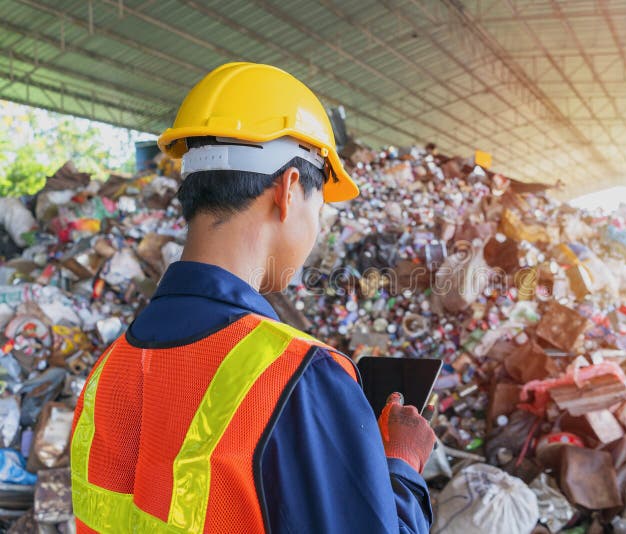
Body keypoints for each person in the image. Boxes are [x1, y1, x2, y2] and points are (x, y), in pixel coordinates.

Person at [70, 62, 436, 533]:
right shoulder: (300, 379)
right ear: (287, 190)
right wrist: (401, 468)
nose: (315, 232)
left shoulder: (108, 372)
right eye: (318, 208)